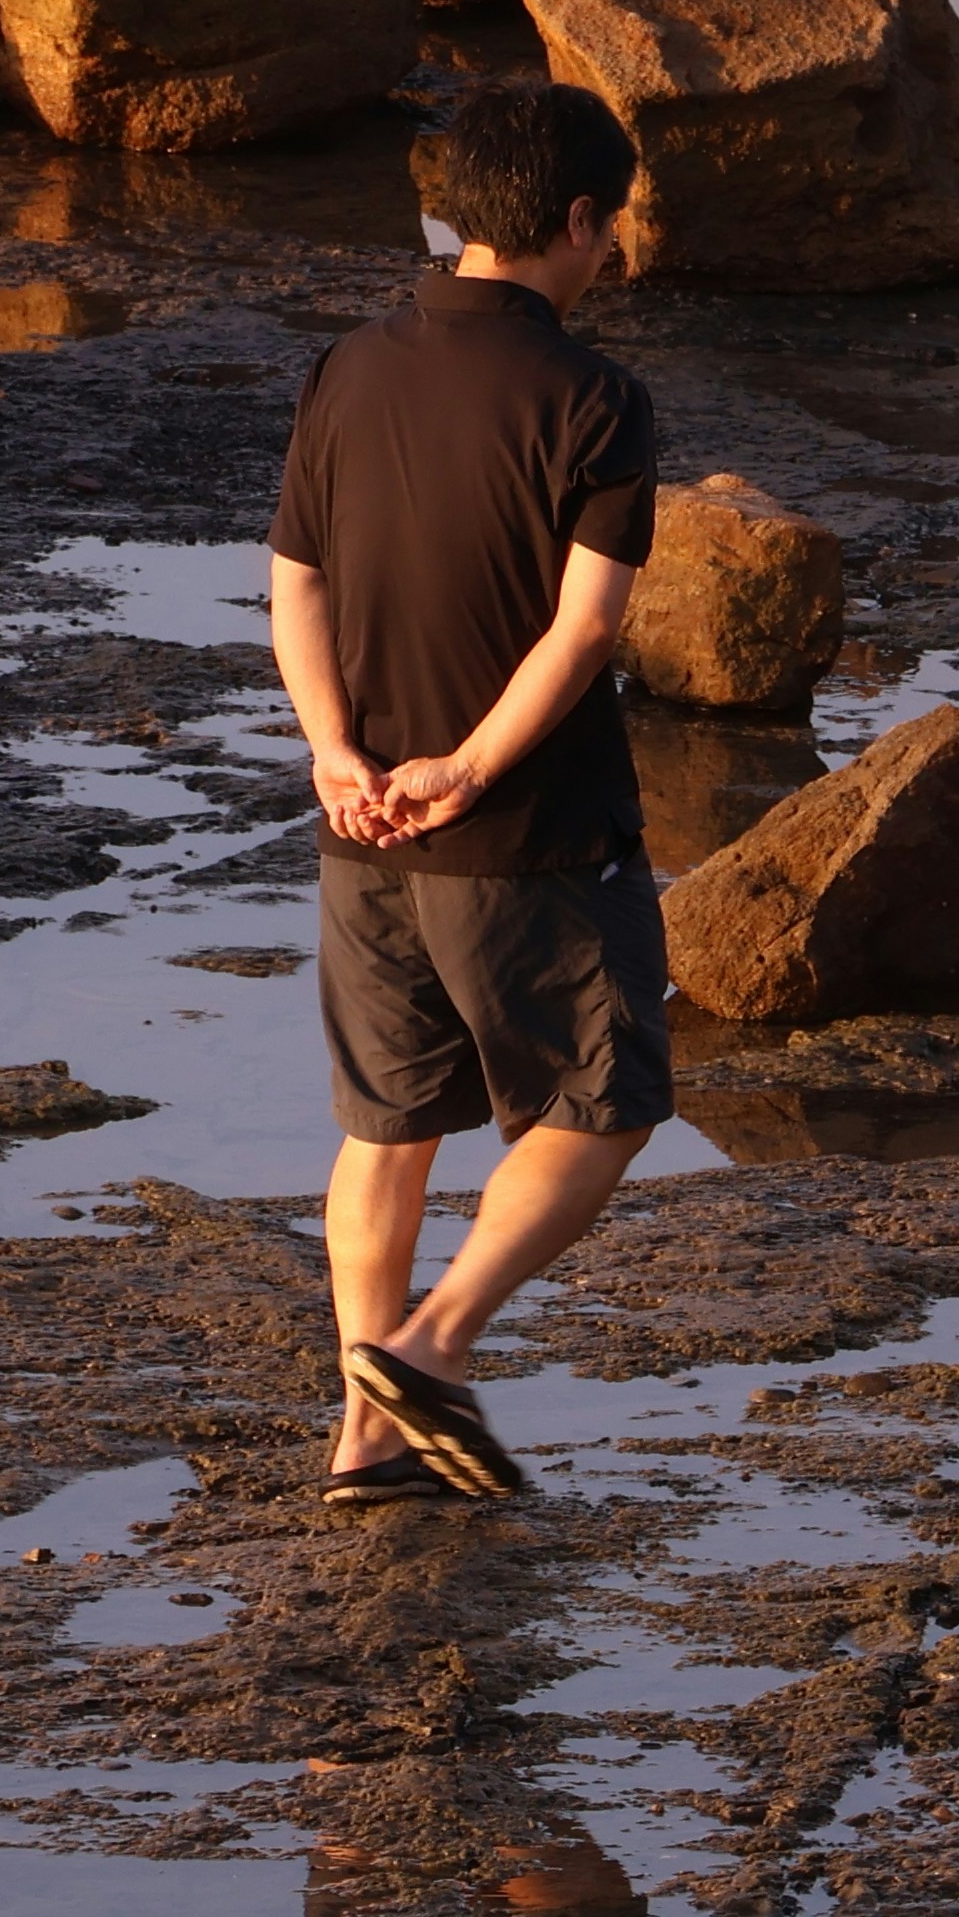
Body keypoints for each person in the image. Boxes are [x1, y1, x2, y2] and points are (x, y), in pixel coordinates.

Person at [265, 79, 666, 1508]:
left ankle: (366, 1443)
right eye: (608, 224)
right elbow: (589, 629)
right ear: (571, 222)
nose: (612, 249)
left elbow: (296, 581)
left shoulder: (350, 369)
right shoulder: (595, 400)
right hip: (524, 834)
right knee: (607, 1105)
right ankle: (432, 1350)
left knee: (386, 1131)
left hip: (358, 826)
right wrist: (471, 769)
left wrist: (335, 752)